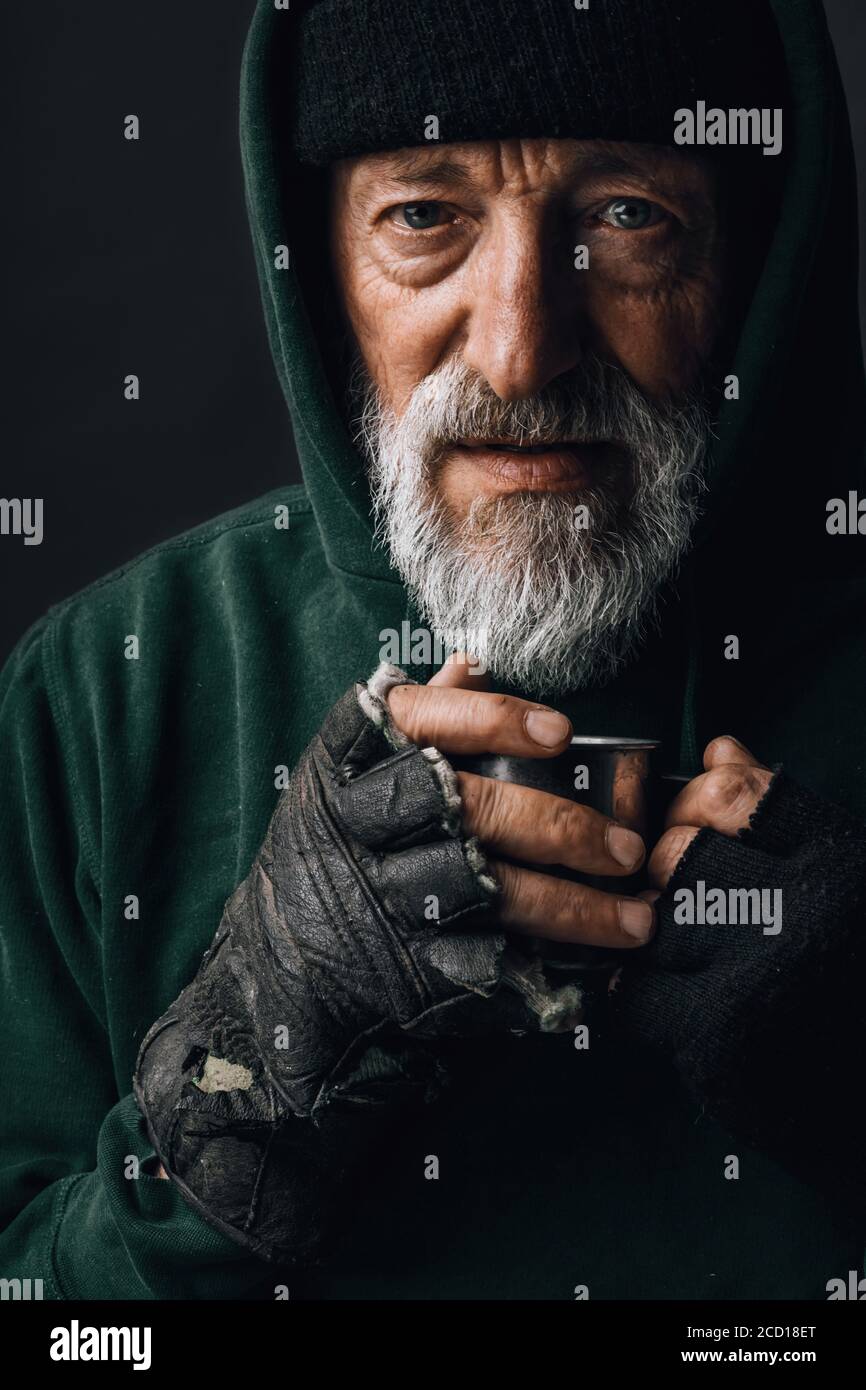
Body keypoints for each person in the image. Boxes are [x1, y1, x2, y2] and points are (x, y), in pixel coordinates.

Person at [1, 0, 865, 1300]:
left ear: (755, 249)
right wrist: (244, 1080)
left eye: (626, 214)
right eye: (423, 216)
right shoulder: (106, 691)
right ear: (319, 258)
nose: (519, 352)